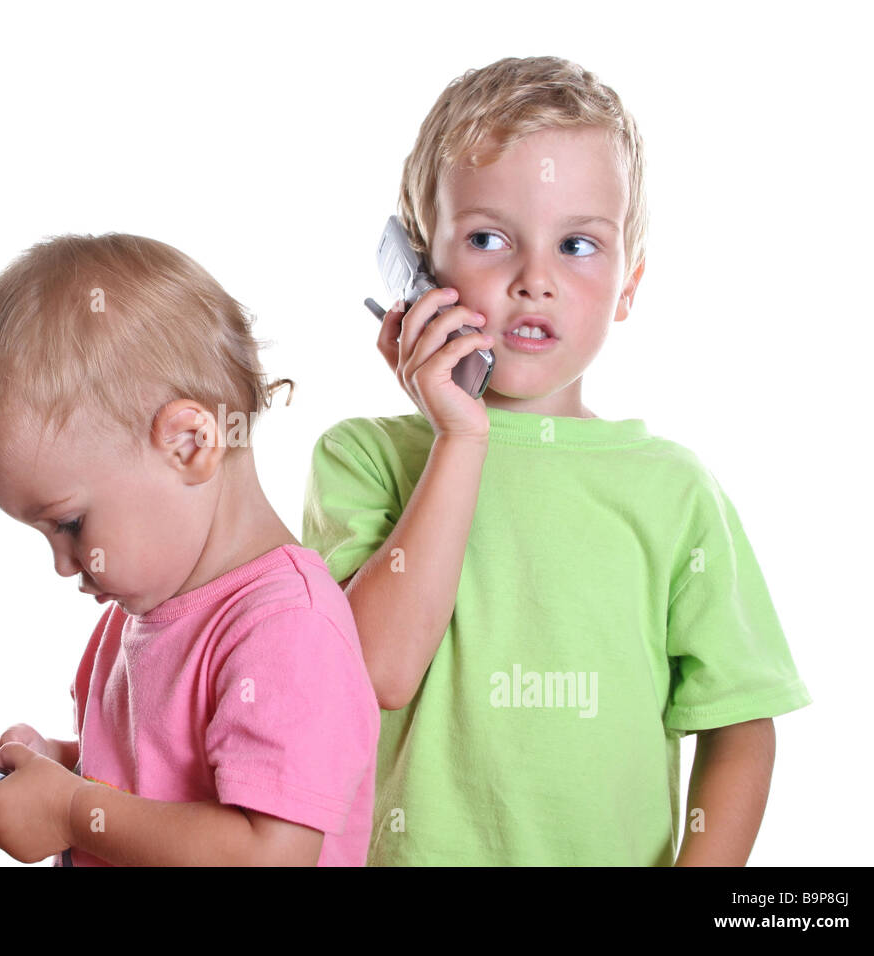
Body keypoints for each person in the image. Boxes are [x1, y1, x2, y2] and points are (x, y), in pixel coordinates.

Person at [302, 56, 810, 865]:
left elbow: (740, 725)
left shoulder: (674, 490)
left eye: (577, 244)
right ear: (416, 271)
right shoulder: (362, 459)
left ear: (628, 285)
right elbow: (378, 673)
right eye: (487, 239)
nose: (534, 280)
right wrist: (460, 438)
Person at [0, 233, 379, 865]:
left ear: (189, 445)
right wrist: (57, 767)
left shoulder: (289, 629)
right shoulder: (136, 618)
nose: (63, 564)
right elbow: (156, 788)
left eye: (70, 524)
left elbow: (271, 854)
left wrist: (70, 811)